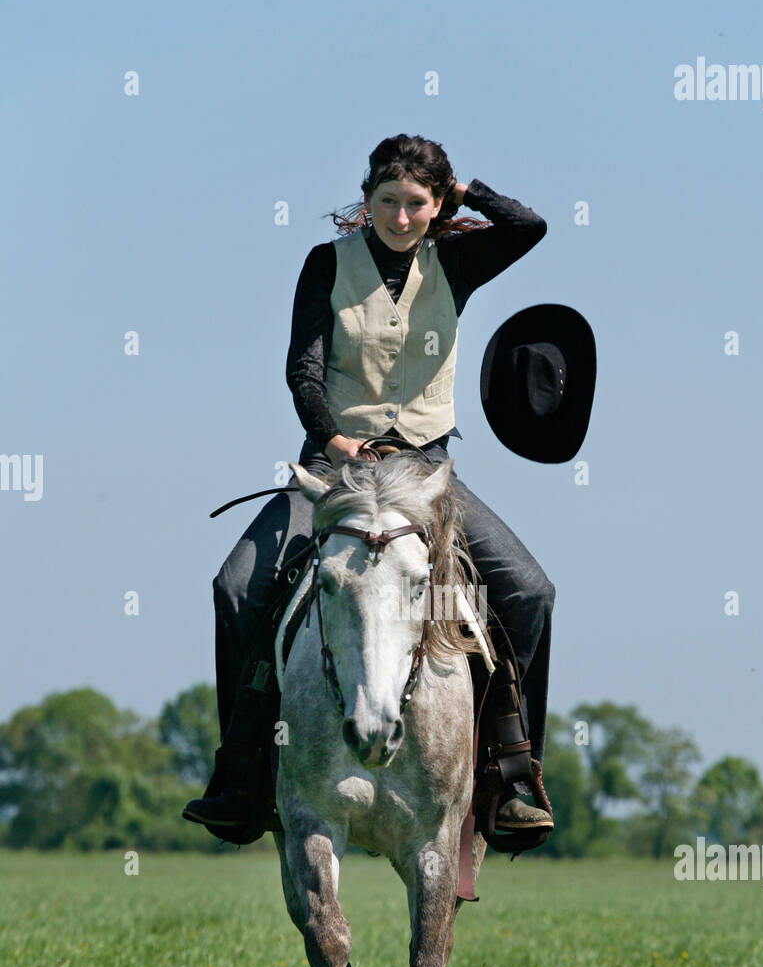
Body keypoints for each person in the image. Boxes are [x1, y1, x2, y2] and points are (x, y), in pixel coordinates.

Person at [184, 133, 556, 838]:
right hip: (336, 467)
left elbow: (528, 227)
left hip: (424, 474)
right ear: (367, 200)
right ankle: (240, 774)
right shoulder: (327, 264)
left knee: (530, 592)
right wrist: (333, 440)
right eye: (388, 201)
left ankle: (511, 775)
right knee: (235, 587)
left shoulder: (458, 263)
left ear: (436, 204)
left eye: (417, 202)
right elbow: (303, 369)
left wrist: (463, 190)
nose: (401, 217)